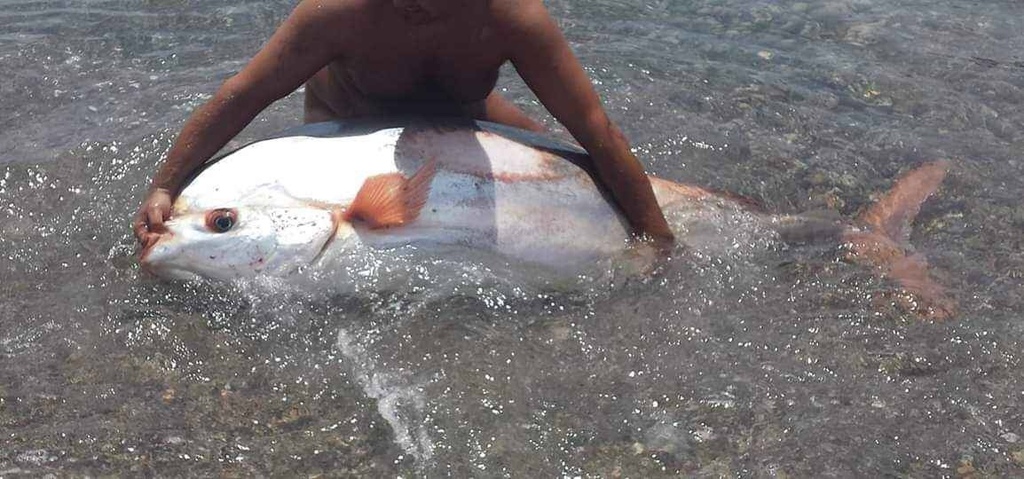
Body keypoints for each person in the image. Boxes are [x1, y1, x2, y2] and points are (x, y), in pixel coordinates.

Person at [133, 0, 674, 250]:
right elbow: (243, 94)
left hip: (461, 115)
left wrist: (656, 236)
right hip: (354, 128)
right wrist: (167, 182)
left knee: (571, 174)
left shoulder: (511, 17)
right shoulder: (336, 12)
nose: (412, 7)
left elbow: (595, 126)